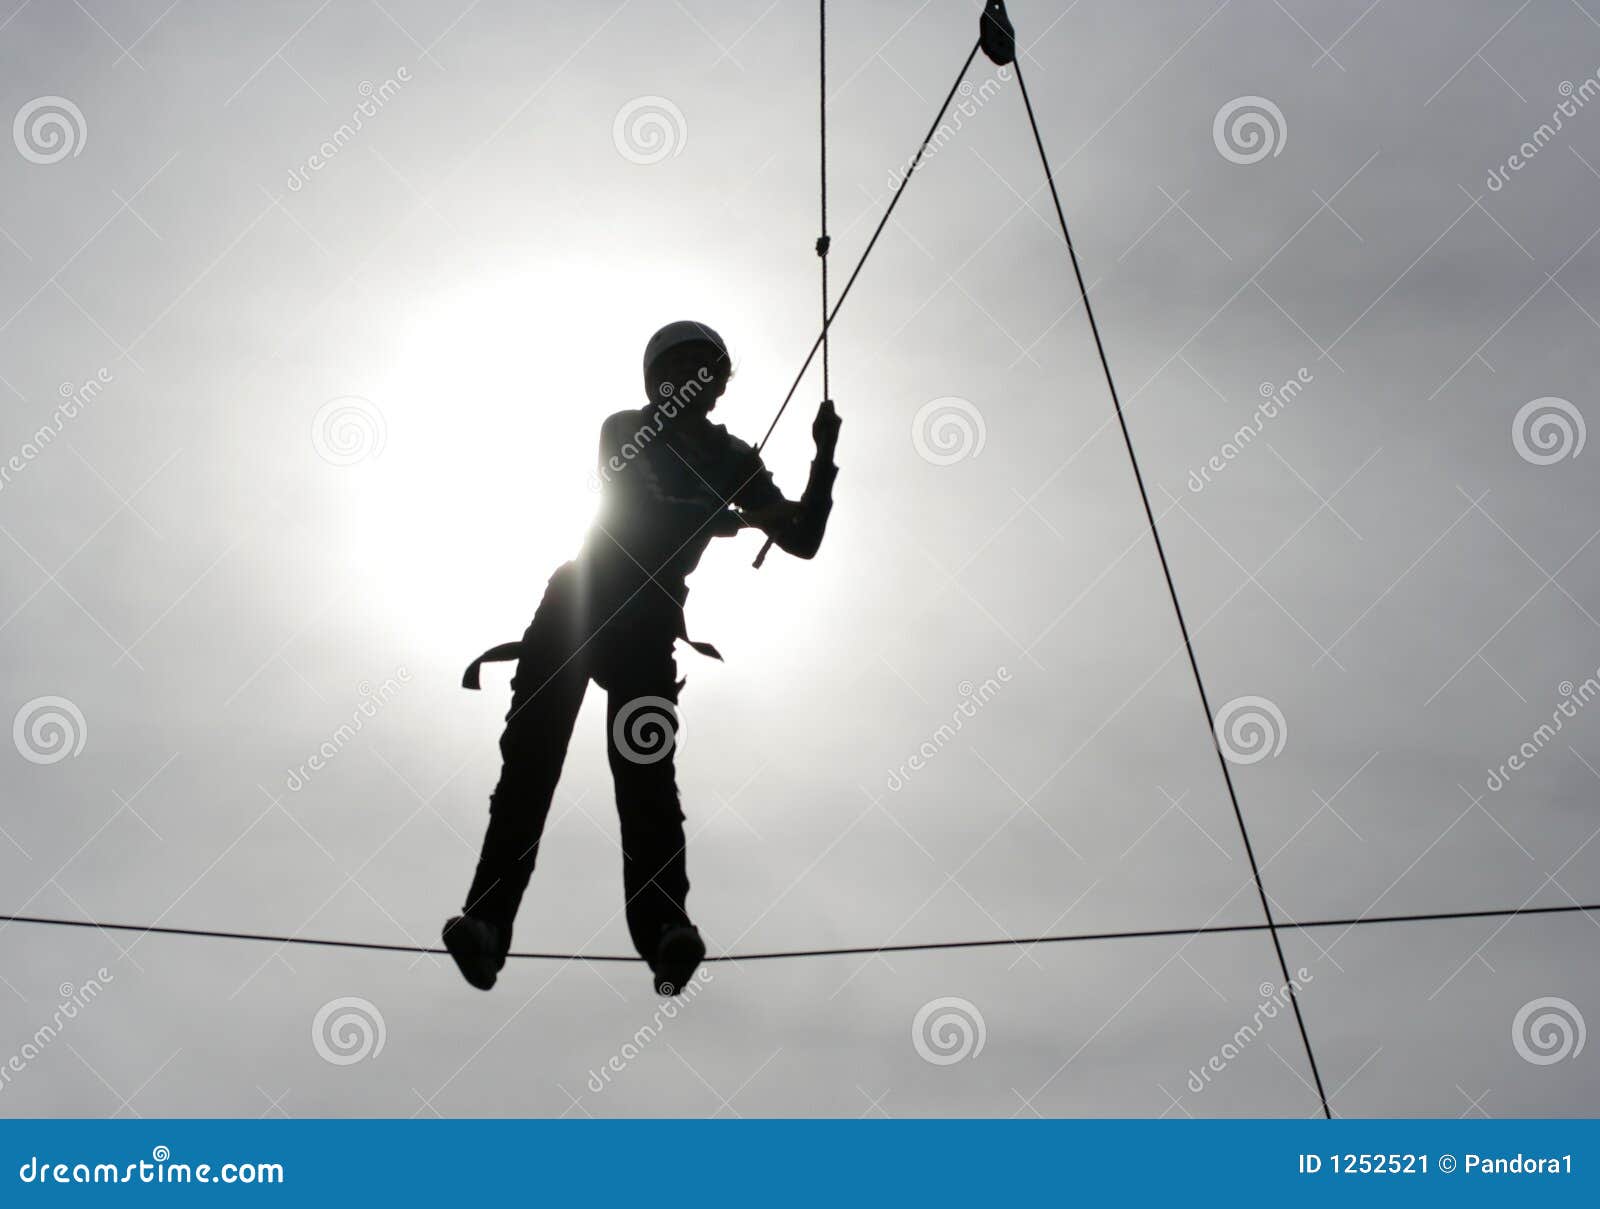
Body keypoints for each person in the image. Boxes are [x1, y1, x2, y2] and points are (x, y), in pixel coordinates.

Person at [444, 320, 841, 995]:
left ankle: (664, 930)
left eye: (705, 370)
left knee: (647, 772)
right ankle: (487, 923)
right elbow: (641, 504)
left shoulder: (735, 460)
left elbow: (801, 538)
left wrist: (822, 459)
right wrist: (727, 514)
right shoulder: (627, 429)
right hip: (580, 607)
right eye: (679, 370)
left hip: (649, 624)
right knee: (532, 759)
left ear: (718, 385)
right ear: (656, 382)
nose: (691, 381)